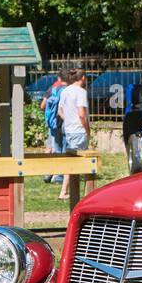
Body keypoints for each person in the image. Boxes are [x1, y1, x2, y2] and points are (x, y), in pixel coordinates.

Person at [56, 68, 90, 200]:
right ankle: (83, 192)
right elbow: (82, 114)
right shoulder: (81, 92)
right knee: (84, 163)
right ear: (82, 78)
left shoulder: (65, 91)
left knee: (71, 159)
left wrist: (69, 120)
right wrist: (87, 130)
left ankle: (65, 190)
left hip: (68, 130)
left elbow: (60, 111)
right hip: (79, 130)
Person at [42, 70, 68, 183]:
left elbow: (43, 105)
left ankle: (50, 174)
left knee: (54, 149)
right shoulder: (68, 90)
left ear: (59, 78)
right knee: (65, 150)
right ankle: (59, 176)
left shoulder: (52, 89)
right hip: (64, 122)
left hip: (53, 123)